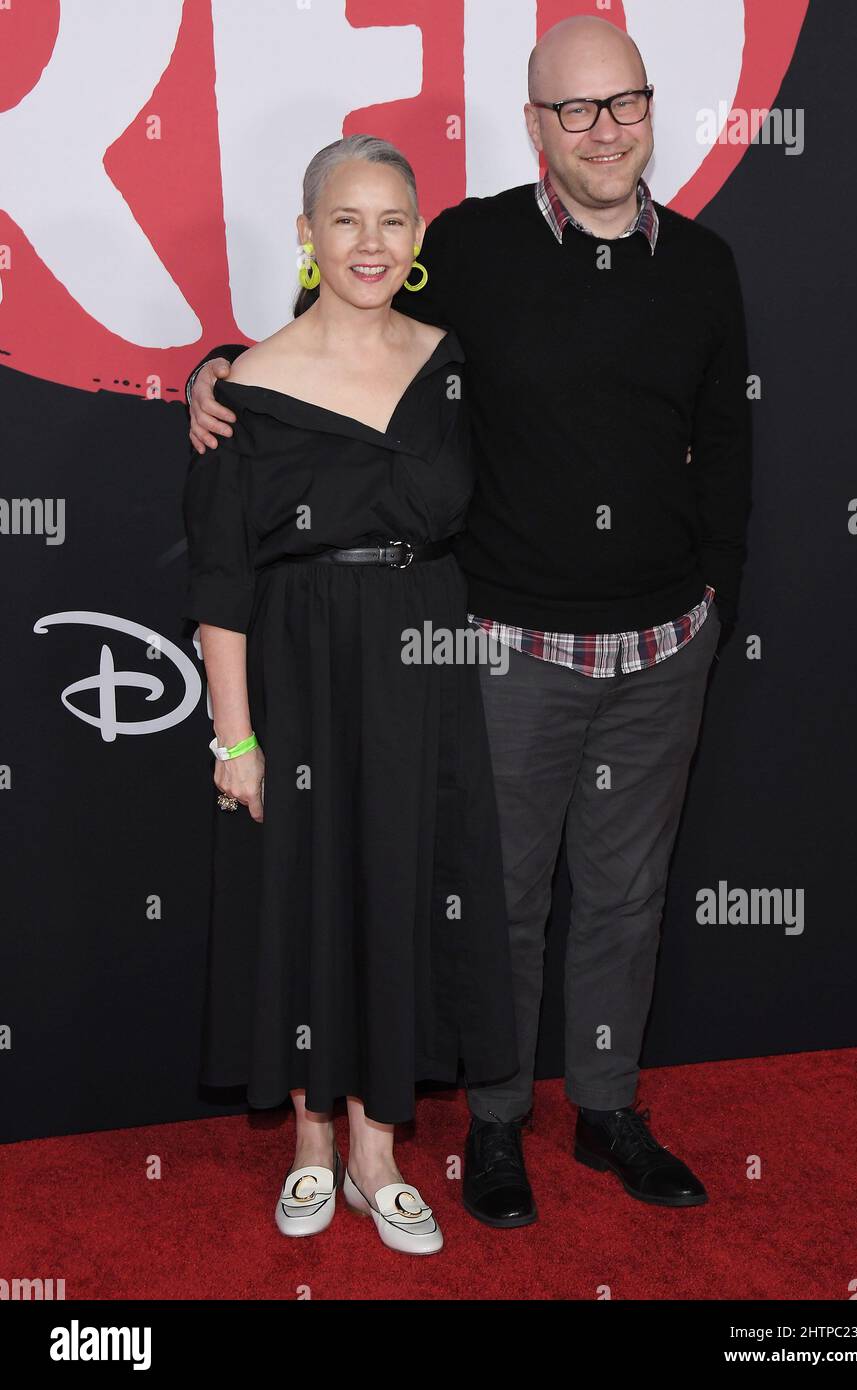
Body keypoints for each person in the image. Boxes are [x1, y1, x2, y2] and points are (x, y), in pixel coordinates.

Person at [186, 16, 752, 1228]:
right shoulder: (474, 248)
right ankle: (495, 1129)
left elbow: (729, 452)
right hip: (508, 645)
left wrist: (715, 602)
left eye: (626, 103)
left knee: (628, 893)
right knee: (494, 899)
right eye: (575, 110)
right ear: (536, 124)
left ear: (652, 109)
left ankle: (606, 1109)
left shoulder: (704, 264)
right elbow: (342, 324)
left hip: (662, 646)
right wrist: (218, 367)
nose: (605, 130)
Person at [181, 133, 519, 1255]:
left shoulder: (450, 361)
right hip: (301, 665)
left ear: (417, 238)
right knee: (308, 893)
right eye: (345, 220)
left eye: (391, 221)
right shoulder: (248, 390)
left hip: (422, 663)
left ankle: (379, 1151)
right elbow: (221, 587)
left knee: (402, 891)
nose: (368, 243)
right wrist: (237, 739)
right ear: (306, 234)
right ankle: (313, 1144)